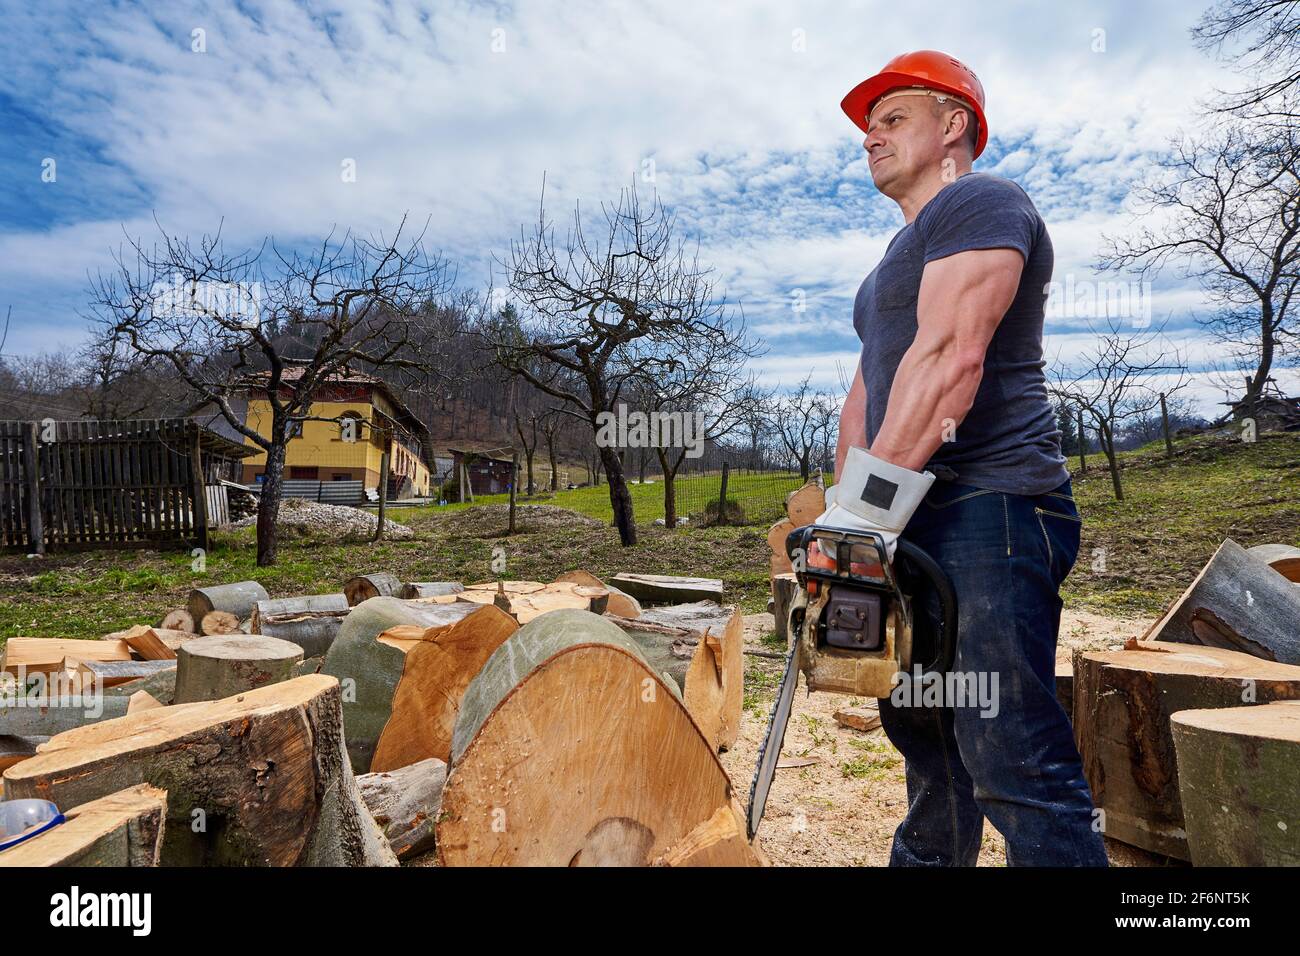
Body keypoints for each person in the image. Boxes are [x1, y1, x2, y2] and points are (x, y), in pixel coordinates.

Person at [815, 50, 1108, 867]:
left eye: (891, 118)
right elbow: (865, 399)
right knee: (924, 737)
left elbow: (950, 359)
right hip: (905, 515)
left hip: (995, 505)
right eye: (867, 127)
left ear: (954, 127)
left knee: (1007, 742)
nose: (870, 136)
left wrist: (864, 513)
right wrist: (843, 523)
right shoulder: (883, 273)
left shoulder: (983, 202)